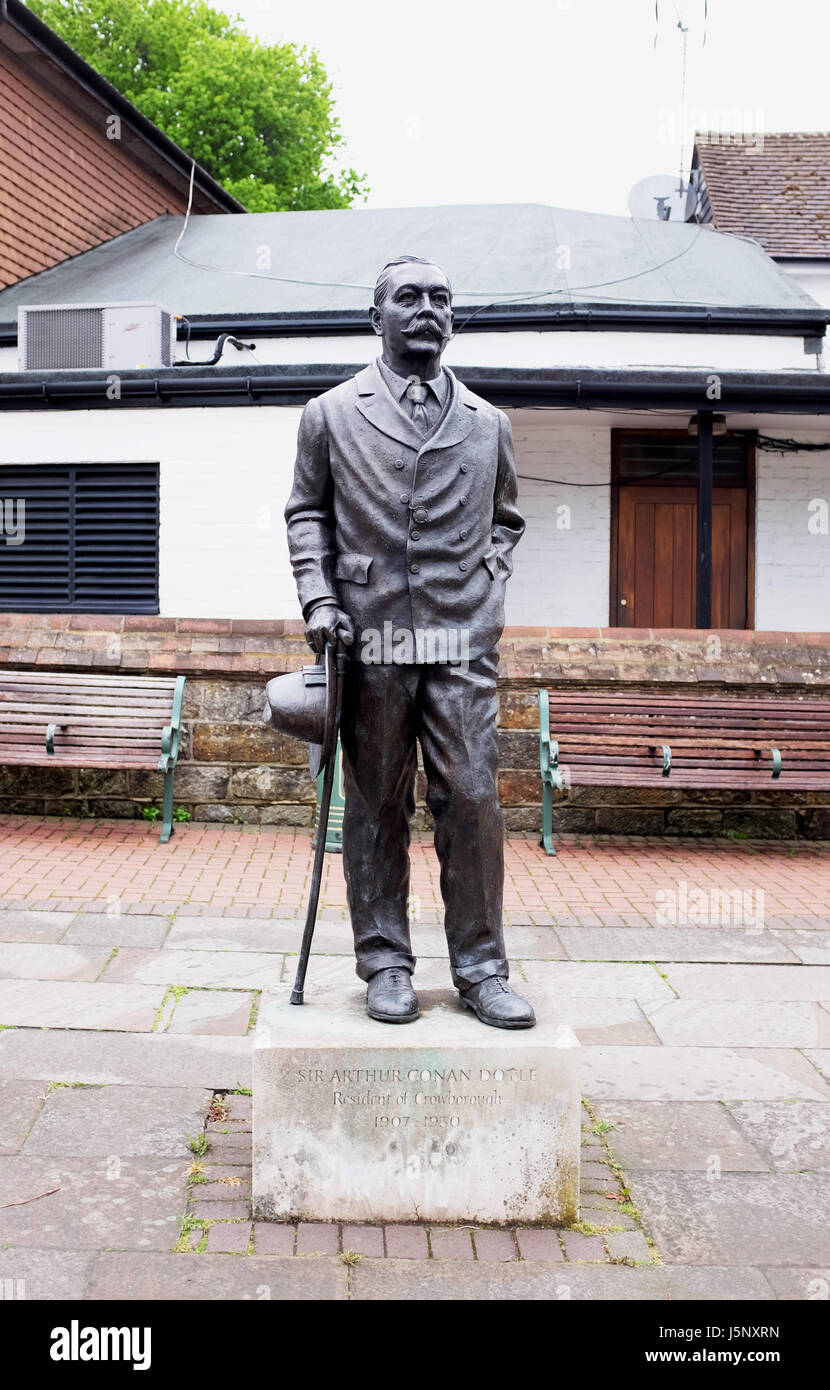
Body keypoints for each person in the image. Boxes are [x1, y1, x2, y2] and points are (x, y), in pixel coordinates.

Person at [284, 255, 536, 1029]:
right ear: (377, 319)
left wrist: (488, 585)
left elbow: (507, 519)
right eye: (408, 298)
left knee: (473, 797)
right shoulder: (330, 414)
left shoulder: (488, 423)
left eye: (440, 299)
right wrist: (320, 598)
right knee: (374, 803)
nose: (426, 309)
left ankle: (482, 968)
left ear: (452, 318)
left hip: (461, 639)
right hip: (369, 637)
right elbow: (306, 514)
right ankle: (385, 963)